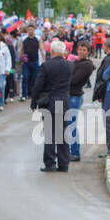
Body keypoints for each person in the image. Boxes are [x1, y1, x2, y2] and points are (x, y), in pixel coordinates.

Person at [31, 39, 73, 172]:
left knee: (50, 134)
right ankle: (64, 164)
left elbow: (38, 85)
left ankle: (50, 163)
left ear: (52, 51)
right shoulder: (70, 65)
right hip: (64, 101)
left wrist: (33, 102)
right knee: (62, 133)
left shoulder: (46, 66)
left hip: (50, 102)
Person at [68, 40, 95, 162]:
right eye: (80, 49)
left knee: (72, 125)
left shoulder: (87, 65)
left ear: (88, 52)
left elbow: (74, 79)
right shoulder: (77, 62)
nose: (81, 52)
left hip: (75, 96)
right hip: (70, 95)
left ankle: (75, 152)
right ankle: (71, 150)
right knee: (68, 125)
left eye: (84, 50)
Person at [21, 25, 41, 99]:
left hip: (35, 61)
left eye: (32, 29)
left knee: (34, 78)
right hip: (26, 62)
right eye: (29, 30)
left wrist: (44, 60)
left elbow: (41, 49)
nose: (30, 31)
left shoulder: (38, 39)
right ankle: (24, 94)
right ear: (27, 30)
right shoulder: (24, 39)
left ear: (34, 30)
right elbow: (21, 49)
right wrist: (21, 58)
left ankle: (32, 94)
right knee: (25, 77)